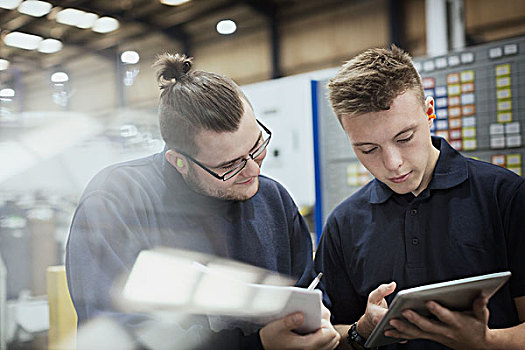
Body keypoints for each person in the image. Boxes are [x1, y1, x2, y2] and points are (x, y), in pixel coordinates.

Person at [66, 53, 340, 350]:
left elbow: (309, 291)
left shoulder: (273, 199)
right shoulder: (115, 201)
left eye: (257, 147)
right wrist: (256, 345)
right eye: (228, 166)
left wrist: (316, 324)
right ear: (179, 162)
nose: (253, 170)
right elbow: (115, 335)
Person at [315, 45, 525, 349]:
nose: (392, 163)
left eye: (404, 138)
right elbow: (329, 338)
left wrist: (486, 342)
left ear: (429, 112)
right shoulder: (343, 223)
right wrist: (363, 328)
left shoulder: (506, 197)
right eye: (368, 149)